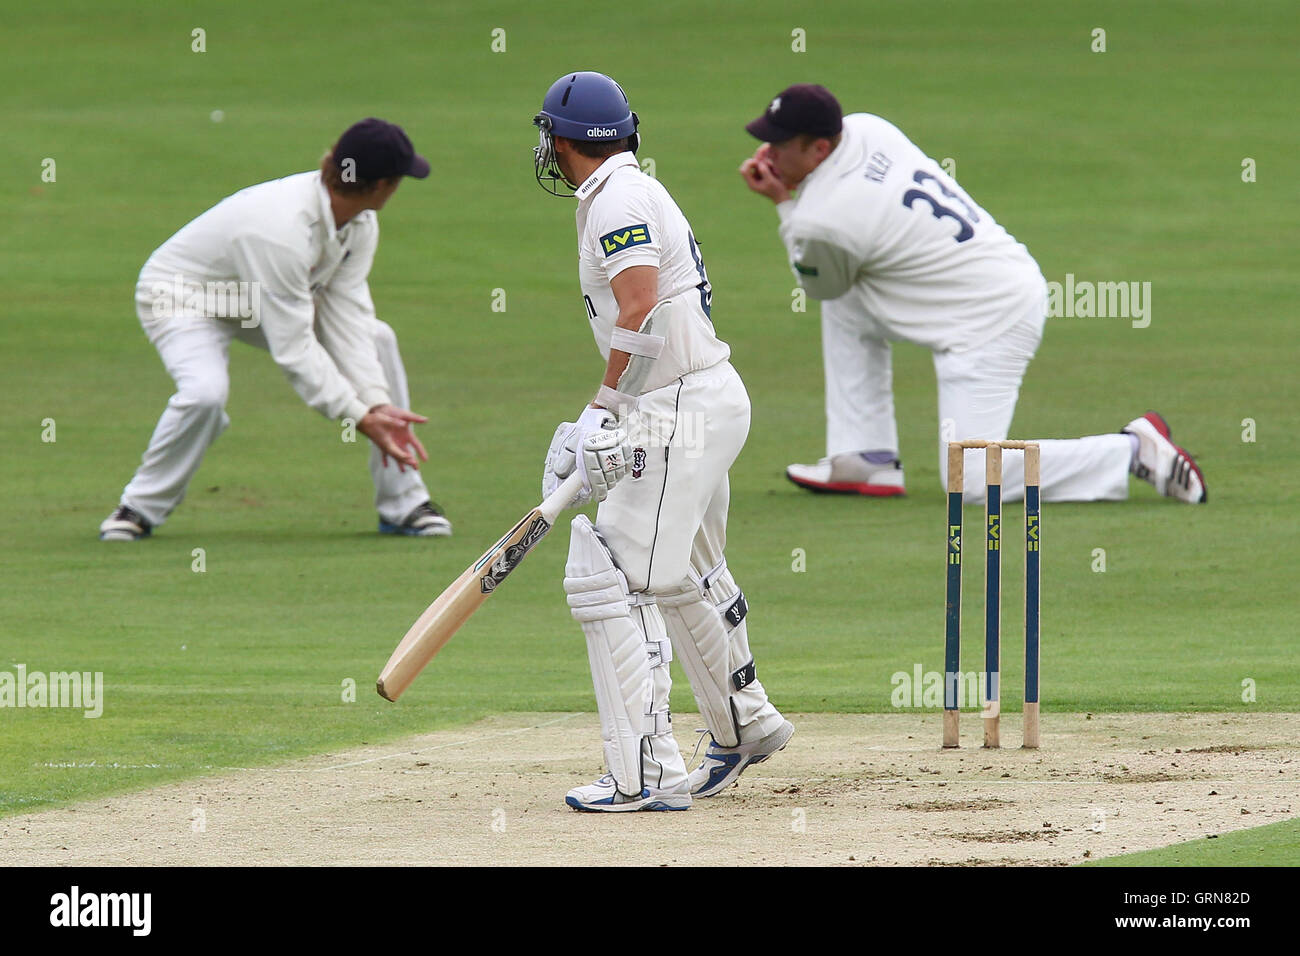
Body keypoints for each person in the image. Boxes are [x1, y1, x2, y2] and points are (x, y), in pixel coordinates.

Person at [739, 84, 1207, 505]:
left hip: (992, 319)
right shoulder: (867, 128)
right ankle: (866, 457)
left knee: (974, 481)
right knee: (848, 302)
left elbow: (818, 282)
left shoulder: (824, 219)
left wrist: (785, 206)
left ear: (820, 147)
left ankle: (1130, 451)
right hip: (988, 277)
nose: (768, 153)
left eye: (780, 146)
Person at [532, 71, 794, 812]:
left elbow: (642, 305)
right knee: (685, 569)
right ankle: (744, 724)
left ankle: (643, 776)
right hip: (700, 396)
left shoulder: (615, 197)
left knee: (610, 566)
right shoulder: (630, 187)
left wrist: (602, 411)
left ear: (559, 141)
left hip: (676, 404)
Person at [99, 119, 452, 541]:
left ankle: (404, 503)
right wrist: (357, 415)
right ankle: (137, 508)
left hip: (256, 295)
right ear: (382, 186)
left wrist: (376, 403)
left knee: (378, 338)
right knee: (204, 395)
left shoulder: (359, 223)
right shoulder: (280, 231)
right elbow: (295, 348)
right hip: (182, 296)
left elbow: (348, 313)